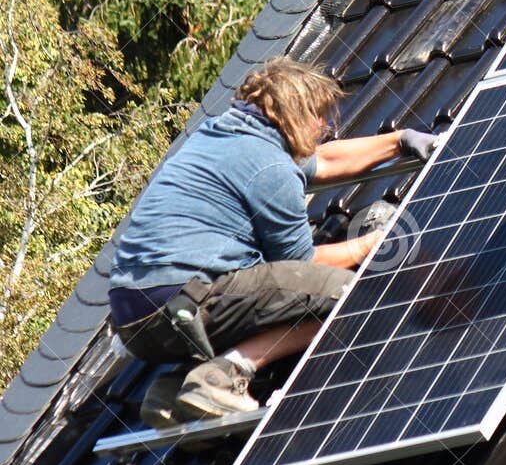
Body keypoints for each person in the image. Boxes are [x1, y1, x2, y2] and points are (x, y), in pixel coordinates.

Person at [108, 57, 440, 428]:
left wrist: (399, 141)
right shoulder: (271, 169)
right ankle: (221, 375)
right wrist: (370, 245)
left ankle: (171, 392)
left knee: (260, 292)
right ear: (296, 113)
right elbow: (302, 265)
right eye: (319, 116)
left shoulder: (222, 135)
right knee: (348, 294)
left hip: (135, 321)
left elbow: (324, 162)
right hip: (185, 300)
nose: (325, 127)